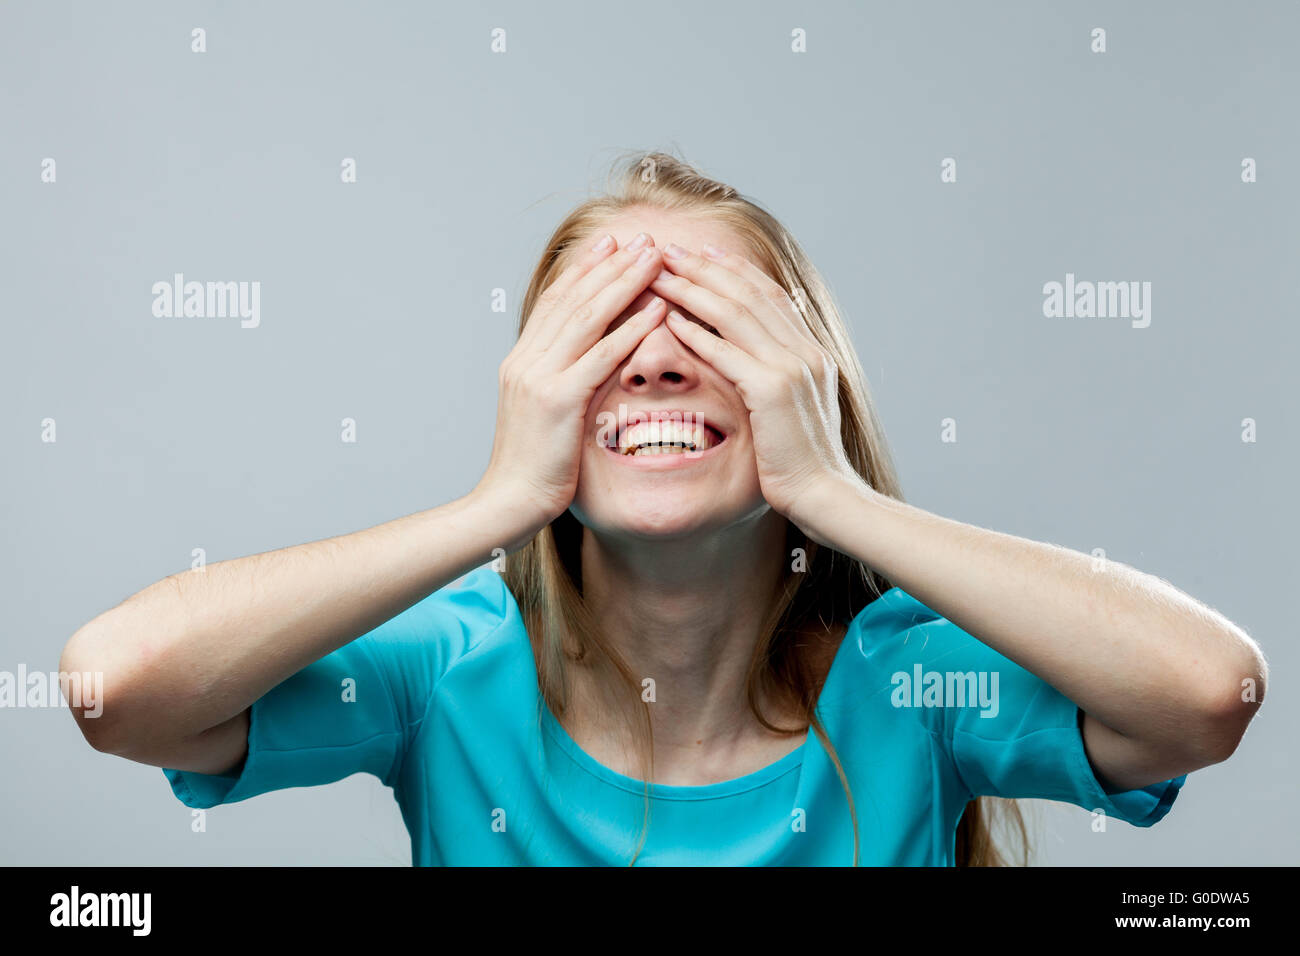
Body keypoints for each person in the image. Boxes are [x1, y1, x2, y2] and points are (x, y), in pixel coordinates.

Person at [60, 152, 1267, 865]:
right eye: (602, 333)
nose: (651, 365)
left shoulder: (911, 683)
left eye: (709, 325)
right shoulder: (451, 671)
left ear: (805, 382)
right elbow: (118, 684)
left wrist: (832, 489)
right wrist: (496, 502)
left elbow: (1208, 691)